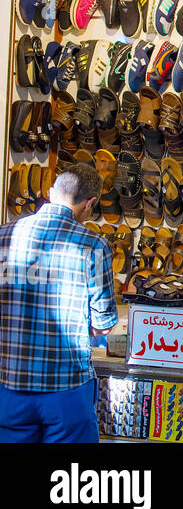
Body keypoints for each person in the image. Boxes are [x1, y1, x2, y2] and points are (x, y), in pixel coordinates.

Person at [0, 165, 116, 442]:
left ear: (50, 193)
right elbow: (102, 325)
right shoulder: (93, 245)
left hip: (9, 386)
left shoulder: (4, 236)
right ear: (90, 204)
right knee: (70, 481)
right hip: (66, 389)